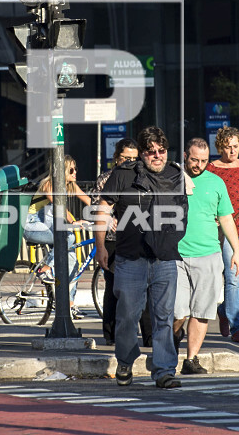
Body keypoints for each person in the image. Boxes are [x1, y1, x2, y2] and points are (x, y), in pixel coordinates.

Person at [95, 125, 188, 389]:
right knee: (127, 316)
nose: (157, 155)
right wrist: (101, 246)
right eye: (151, 151)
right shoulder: (124, 175)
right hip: (130, 258)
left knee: (164, 317)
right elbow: (104, 208)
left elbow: (183, 211)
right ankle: (125, 361)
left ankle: (164, 370)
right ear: (142, 153)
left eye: (161, 150)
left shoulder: (175, 174)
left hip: (165, 259)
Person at [174, 138, 239, 375]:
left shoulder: (216, 182)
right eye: (194, 160)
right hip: (175, 255)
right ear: (185, 156)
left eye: (204, 161)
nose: (199, 165)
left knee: (202, 311)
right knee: (177, 312)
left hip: (209, 254)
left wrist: (236, 251)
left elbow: (226, 218)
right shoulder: (172, 179)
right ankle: (173, 339)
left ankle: (191, 359)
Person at [205, 126, 239, 344]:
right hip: (226, 231)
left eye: (235, 146)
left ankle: (223, 309)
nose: (232, 151)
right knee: (233, 278)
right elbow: (205, 195)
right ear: (220, 147)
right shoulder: (211, 168)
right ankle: (237, 327)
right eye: (227, 147)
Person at [24, 154, 92, 318]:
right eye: (71, 170)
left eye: (76, 169)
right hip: (31, 224)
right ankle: (45, 268)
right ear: (61, 171)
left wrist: (108, 214)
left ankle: (69, 305)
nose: (75, 172)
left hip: (47, 224)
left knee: (73, 264)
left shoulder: (71, 186)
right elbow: (59, 206)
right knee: (68, 237)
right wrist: (73, 222)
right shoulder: (48, 184)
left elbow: (90, 201)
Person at [90, 138, 143, 345]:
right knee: (114, 285)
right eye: (125, 158)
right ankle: (111, 333)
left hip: (138, 237)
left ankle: (148, 336)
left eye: (134, 158)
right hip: (112, 239)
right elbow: (97, 208)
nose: (130, 162)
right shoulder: (105, 179)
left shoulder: (142, 176)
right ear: (115, 158)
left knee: (145, 286)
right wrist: (109, 219)